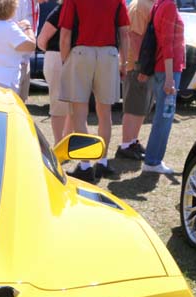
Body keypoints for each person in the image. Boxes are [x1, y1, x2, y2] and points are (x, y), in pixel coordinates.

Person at [59, 0, 131, 182]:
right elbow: (124, 33)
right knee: (105, 114)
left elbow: (65, 33)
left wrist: (65, 60)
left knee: (79, 114)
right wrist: (124, 62)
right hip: (108, 54)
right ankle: (103, 161)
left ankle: (85, 165)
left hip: (81, 52)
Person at [140, 0, 184, 174]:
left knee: (162, 115)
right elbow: (167, 43)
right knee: (164, 117)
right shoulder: (168, 5)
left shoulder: (159, 5)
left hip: (163, 69)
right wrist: (169, 78)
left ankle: (152, 159)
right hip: (167, 70)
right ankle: (152, 161)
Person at [116, 0, 155, 161]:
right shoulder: (140, 6)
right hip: (137, 65)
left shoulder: (148, 4)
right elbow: (135, 36)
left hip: (143, 65)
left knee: (141, 107)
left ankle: (132, 141)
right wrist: (141, 64)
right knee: (133, 107)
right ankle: (126, 145)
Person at [36, 0, 72, 142]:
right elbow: (42, 40)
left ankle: (66, 142)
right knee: (60, 105)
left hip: (73, 58)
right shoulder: (60, 10)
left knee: (75, 106)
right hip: (58, 57)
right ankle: (59, 143)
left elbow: (41, 41)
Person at [12, 0, 39, 100]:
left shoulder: (36, 5)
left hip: (26, 60)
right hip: (16, 61)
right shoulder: (21, 3)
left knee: (22, 101)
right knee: (13, 101)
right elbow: (13, 29)